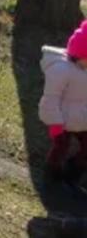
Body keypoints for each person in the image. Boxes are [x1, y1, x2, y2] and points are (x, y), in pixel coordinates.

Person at [39, 20, 87, 198]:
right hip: (63, 119)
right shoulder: (61, 70)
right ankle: (52, 177)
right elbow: (50, 99)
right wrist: (54, 124)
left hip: (82, 118)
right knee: (61, 147)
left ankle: (72, 176)